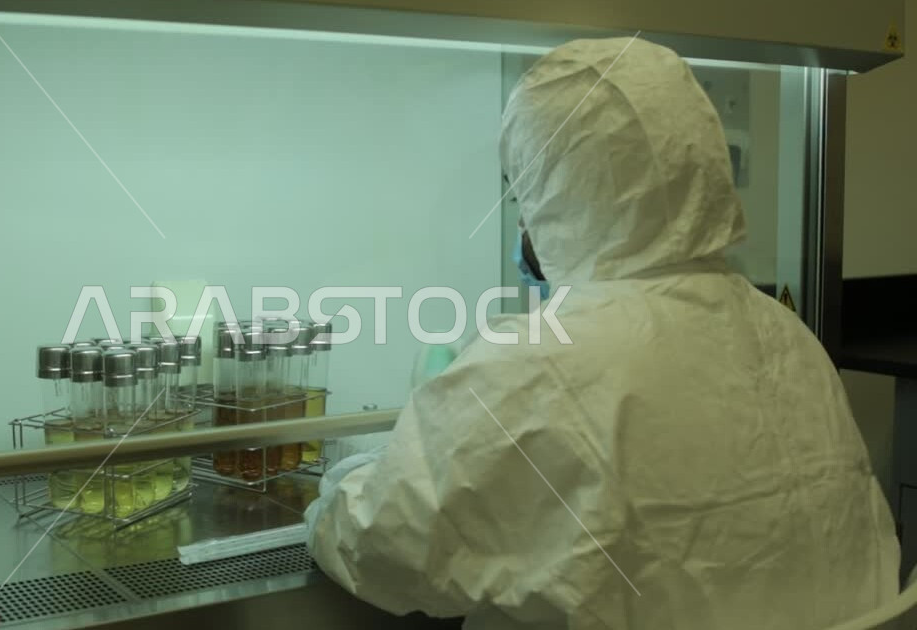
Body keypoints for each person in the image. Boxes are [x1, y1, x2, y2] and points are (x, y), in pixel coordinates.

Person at [304, 37, 900, 629]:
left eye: (524, 190)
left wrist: (350, 474)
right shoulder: (789, 338)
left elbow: (379, 546)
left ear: (556, 195)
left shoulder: (539, 361)